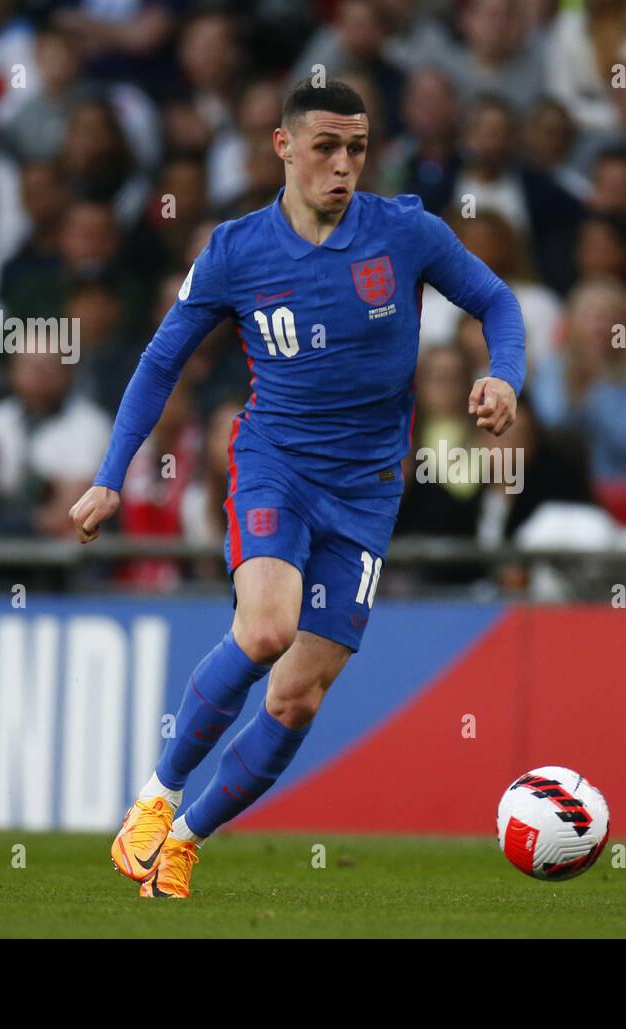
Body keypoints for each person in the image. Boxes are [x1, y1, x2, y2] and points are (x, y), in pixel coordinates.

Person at [69, 79, 525, 899]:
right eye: (326, 147)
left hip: (369, 491)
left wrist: (504, 375)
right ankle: (155, 796)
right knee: (268, 626)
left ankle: (183, 841)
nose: (344, 165)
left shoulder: (406, 232)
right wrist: (110, 478)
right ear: (283, 147)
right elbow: (161, 360)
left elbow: (496, 299)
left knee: (297, 698)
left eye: (357, 148)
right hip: (276, 463)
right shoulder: (236, 250)